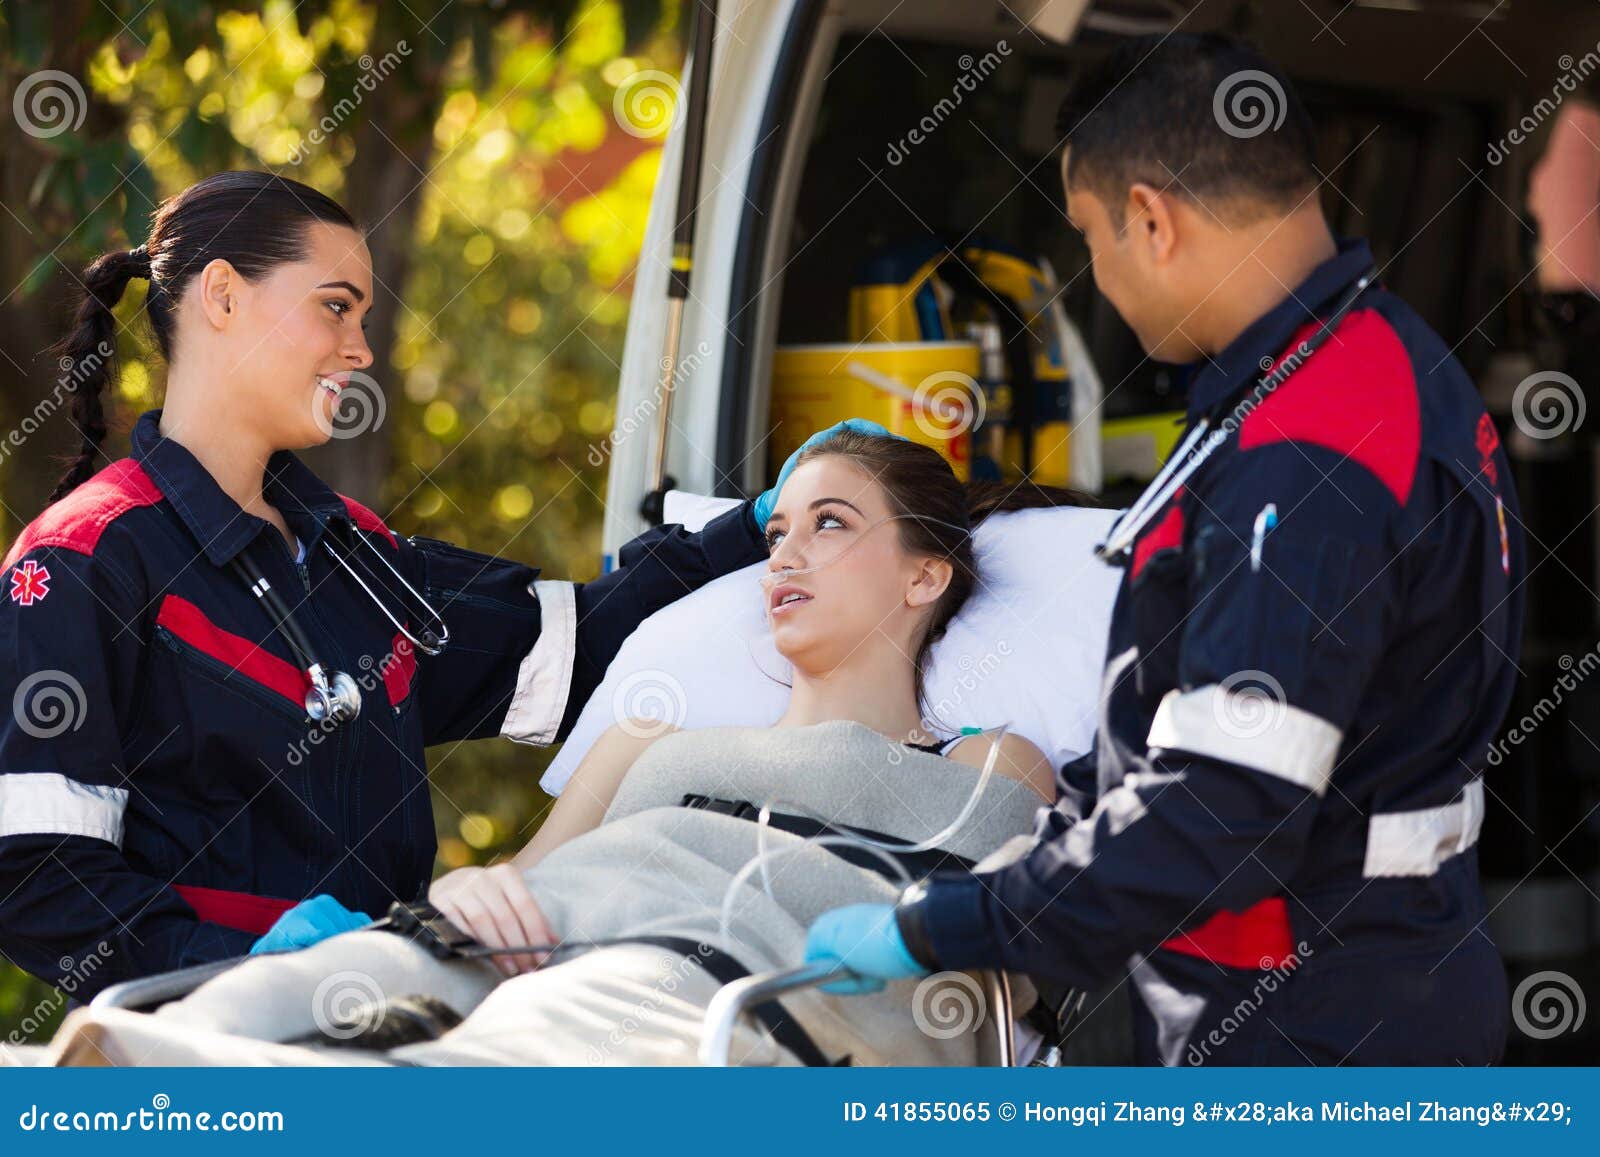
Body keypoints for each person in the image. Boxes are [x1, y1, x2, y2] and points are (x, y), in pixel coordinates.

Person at [806, 33, 1525, 1066]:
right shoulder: (1383, 361)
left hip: (1305, 1029)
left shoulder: (1301, 455)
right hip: (1380, 979)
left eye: (1090, 234)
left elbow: (1224, 808)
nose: (1096, 274)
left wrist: (944, 923)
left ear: (1150, 216)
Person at [0, 169, 884, 997]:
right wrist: (243, 966)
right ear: (224, 296)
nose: (361, 350)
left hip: (386, 1035)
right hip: (199, 1069)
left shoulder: (356, 557)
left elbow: (579, 650)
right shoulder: (84, 558)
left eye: (364, 318)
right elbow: (33, 876)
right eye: (335, 309)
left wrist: (761, 519)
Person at [48, 432, 1073, 1066]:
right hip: (518, 939)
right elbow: (525, 878)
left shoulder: (988, 759)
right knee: (314, 986)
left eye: (832, 523)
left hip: (682, 973)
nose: (786, 554)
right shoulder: (647, 736)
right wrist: (474, 891)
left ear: (924, 578)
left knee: (551, 1028)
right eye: (775, 534)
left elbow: (993, 898)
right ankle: (156, 1072)